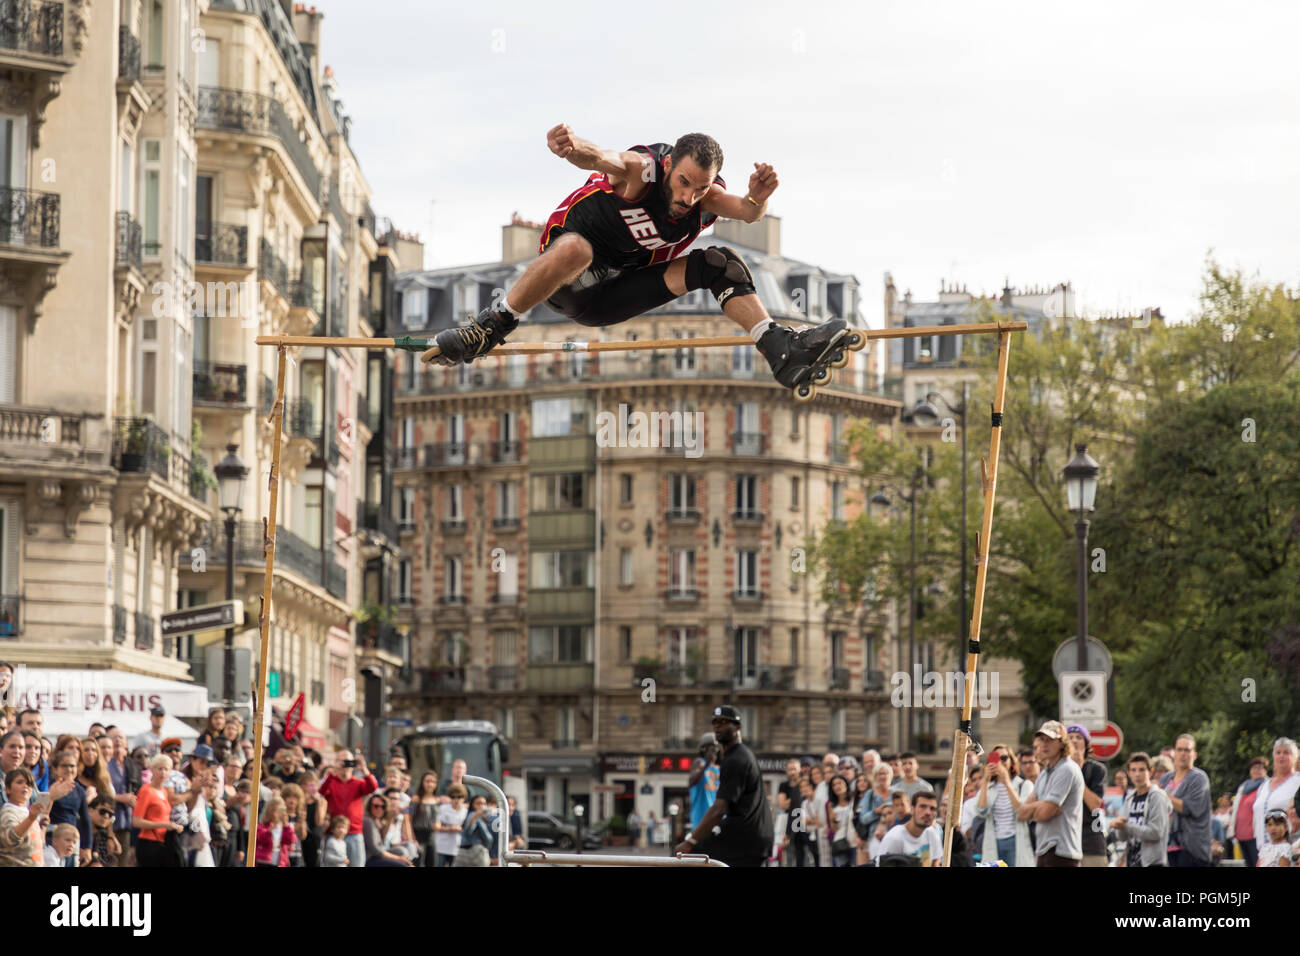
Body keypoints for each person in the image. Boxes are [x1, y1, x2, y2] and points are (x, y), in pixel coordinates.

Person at [430, 130, 846, 400]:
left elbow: (749, 213)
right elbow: (603, 158)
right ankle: (490, 326)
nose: (688, 197)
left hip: (614, 295)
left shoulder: (706, 197)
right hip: (569, 282)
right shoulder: (640, 172)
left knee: (720, 263)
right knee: (578, 250)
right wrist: (573, 148)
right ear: (668, 168)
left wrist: (758, 195)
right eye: (683, 183)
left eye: (700, 189)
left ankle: (781, 351)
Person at [673, 704, 773, 867]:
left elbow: (720, 808)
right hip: (751, 835)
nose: (718, 725)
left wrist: (690, 841)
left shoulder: (736, 759)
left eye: (724, 722)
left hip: (745, 836)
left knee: (687, 852)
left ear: (738, 726)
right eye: (715, 722)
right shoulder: (738, 755)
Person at [1016, 721, 1084, 867]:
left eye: (1050, 740)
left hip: (1062, 850)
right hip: (1044, 849)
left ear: (1061, 743)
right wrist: (1043, 804)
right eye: (1042, 739)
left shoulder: (1067, 769)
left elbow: (1044, 814)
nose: (1045, 744)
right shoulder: (1044, 773)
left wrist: (1039, 808)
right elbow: (1021, 814)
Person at [975, 745, 1035, 867]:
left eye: (1004, 758)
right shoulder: (989, 787)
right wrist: (986, 780)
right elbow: (981, 811)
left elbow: (1022, 811)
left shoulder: (1024, 785)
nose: (1000, 762)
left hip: (1016, 841)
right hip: (993, 842)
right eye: (995, 758)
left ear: (1012, 762)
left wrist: (1006, 781)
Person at [318, 748, 378, 867]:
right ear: (336, 762)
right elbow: (321, 791)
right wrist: (333, 771)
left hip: (354, 833)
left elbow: (373, 787)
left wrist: (364, 769)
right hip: (334, 833)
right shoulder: (331, 781)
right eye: (342, 761)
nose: (345, 764)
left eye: (348, 761)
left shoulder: (358, 783)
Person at [1160, 733, 1212, 867]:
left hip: (1192, 848)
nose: (1183, 753)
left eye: (1187, 750)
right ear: (1174, 754)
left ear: (1194, 754)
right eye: (1179, 749)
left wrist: (1162, 795)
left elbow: (1189, 808)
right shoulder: (1166, 778)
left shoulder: (1199, 778)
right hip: (1167, 846)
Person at [1110, 752, 1170, 868]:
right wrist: (1119, 826)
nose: (1137, 774)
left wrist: (1126, 826)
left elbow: (1156, 832)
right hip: (1132, 861)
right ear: (1129, 773)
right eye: (1133, 770)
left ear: (1150, 772)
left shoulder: (1157, 797)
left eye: (1142, 770)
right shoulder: (1129, 798)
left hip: (1153, 862)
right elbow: (1122, 837)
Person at [1065, 725, 1109, 867]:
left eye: (1078, 737)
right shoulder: (1060, 770)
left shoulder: (1097, 769)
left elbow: (1095, 805)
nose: (1074, 740)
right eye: (1070, 738)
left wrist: (1077, 771)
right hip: (1066, 842)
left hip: (1091, 842)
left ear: (1086, 743)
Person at [1251, 738, 1300, 858]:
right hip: (1263, 851)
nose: (1281, 756)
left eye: (1286, 752)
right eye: (1278, 752)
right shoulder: (1264, 785)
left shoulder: (1297, 781)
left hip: (1290, 849)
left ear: (1295, 757)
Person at [132, 755, 183, 866]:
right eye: (159, 769)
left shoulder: (164, 791)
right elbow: (136, 821)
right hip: (148, 842)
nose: (163, 772)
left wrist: (174, 826)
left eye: (166, 769)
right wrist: (164, 825)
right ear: (152, 770)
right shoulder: (146, 791)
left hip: (162, 842)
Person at [46, 749, 92, 866]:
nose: (69, 769)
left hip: (72, 837)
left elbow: (86, 820)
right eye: (64, 766)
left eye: (72, 766)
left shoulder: (79, 790)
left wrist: (87, 847)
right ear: (55, 769)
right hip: (52, 837)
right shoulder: (50, 786)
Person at [876, 789, 943, 866]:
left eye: (932, 809)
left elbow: (936, 863)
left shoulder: (933, 833)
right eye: (922, 806)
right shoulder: (895, 837)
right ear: (912, 809)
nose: (928, 812)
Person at [0, 768, 49, 866]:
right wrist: (31, 819)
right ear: (8, 789)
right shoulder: (8, 812)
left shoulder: (29, 812)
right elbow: (10, 839)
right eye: (19, 782)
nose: (25, 786)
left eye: (29, 784)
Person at [363, 791, 413, 867]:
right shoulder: (368, 821)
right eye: (376, 806)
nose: (379, 809)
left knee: (403, 852)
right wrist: (398, 858)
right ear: (370, 806)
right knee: (404, 865)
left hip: (379, 855)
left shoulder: (377, 821)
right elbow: (376, 850)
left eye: (382, 807)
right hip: (370, 859)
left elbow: (382, 842)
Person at [688, 733, 721, 832]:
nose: (714, 751)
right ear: (703, 749)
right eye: (711, 748)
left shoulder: (719, 768)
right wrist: (706, 764)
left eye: (715, 748)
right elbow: (692, 781)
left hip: (717, 821)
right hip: (701, 821)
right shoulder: (699, 763)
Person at [824, 773, 859, 867]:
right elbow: (833, 829)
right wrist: (833, 820)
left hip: (855, 841)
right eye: (834, 785)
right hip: (840, 842)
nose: (837, 786)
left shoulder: (854, 799)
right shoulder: (831, 804)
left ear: (846, 784)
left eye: (839, 783)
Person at [255, 796, 297, 867]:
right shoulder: (262, 826)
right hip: (264, 862)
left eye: (280, 811)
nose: (278, 814)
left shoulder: (285, 827)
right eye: (275, 810)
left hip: (279, 862)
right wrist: (270, 830)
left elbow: (290, 840)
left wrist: (286, 826)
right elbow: (261, 840)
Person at [434, 784, 469, 866]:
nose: (456, 800)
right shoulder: (443, 808)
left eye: (459, 797)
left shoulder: (466, 812)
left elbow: (467, 829)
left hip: (457, 846)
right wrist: (450, 828)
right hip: (441, 845)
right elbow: (436, 826)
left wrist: (460, 829)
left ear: (464, 798)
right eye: (453, 797)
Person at [455, 794, 494, 867]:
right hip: (470, 851)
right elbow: (468, 830)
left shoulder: (487, 818)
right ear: (472, 805)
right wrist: (476, 816)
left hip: (480, 852)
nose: (481, 806)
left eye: (484, 804)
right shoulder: (472, 814)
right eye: (478, 803)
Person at [411, 771, 441, 866]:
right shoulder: (416, 799)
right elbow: (408, 820)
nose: (430, 784)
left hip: (431, 835)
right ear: (422, 782)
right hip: (418, 834)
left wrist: (438, 824)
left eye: (433, 782)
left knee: (432, 862)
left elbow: (439, 817)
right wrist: (412, 838)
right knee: (418, 863)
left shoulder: (438, 799)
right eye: (427, 781)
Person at [299, 770, 327, 868]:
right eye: (306, 785)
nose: (310, 788)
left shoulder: (322, 801)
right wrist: (304, 801)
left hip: (315, 838)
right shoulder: (300, 800)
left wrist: (318, 802)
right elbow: (301, 816)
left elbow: (319, 822)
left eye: (313, 784)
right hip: (301, 837)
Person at [78, 735, 114, 806]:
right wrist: (87, 799)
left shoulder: (103, 777)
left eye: (94, 750)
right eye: (86, 750)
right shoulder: (74, 777)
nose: (90, 753)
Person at [87, 795, 121, 867]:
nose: (106, 816)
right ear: (90, 810)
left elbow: (117, 850)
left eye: (110, 814)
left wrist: (111, 836)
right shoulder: (79, 831)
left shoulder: (104, 833)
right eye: (102, 811)